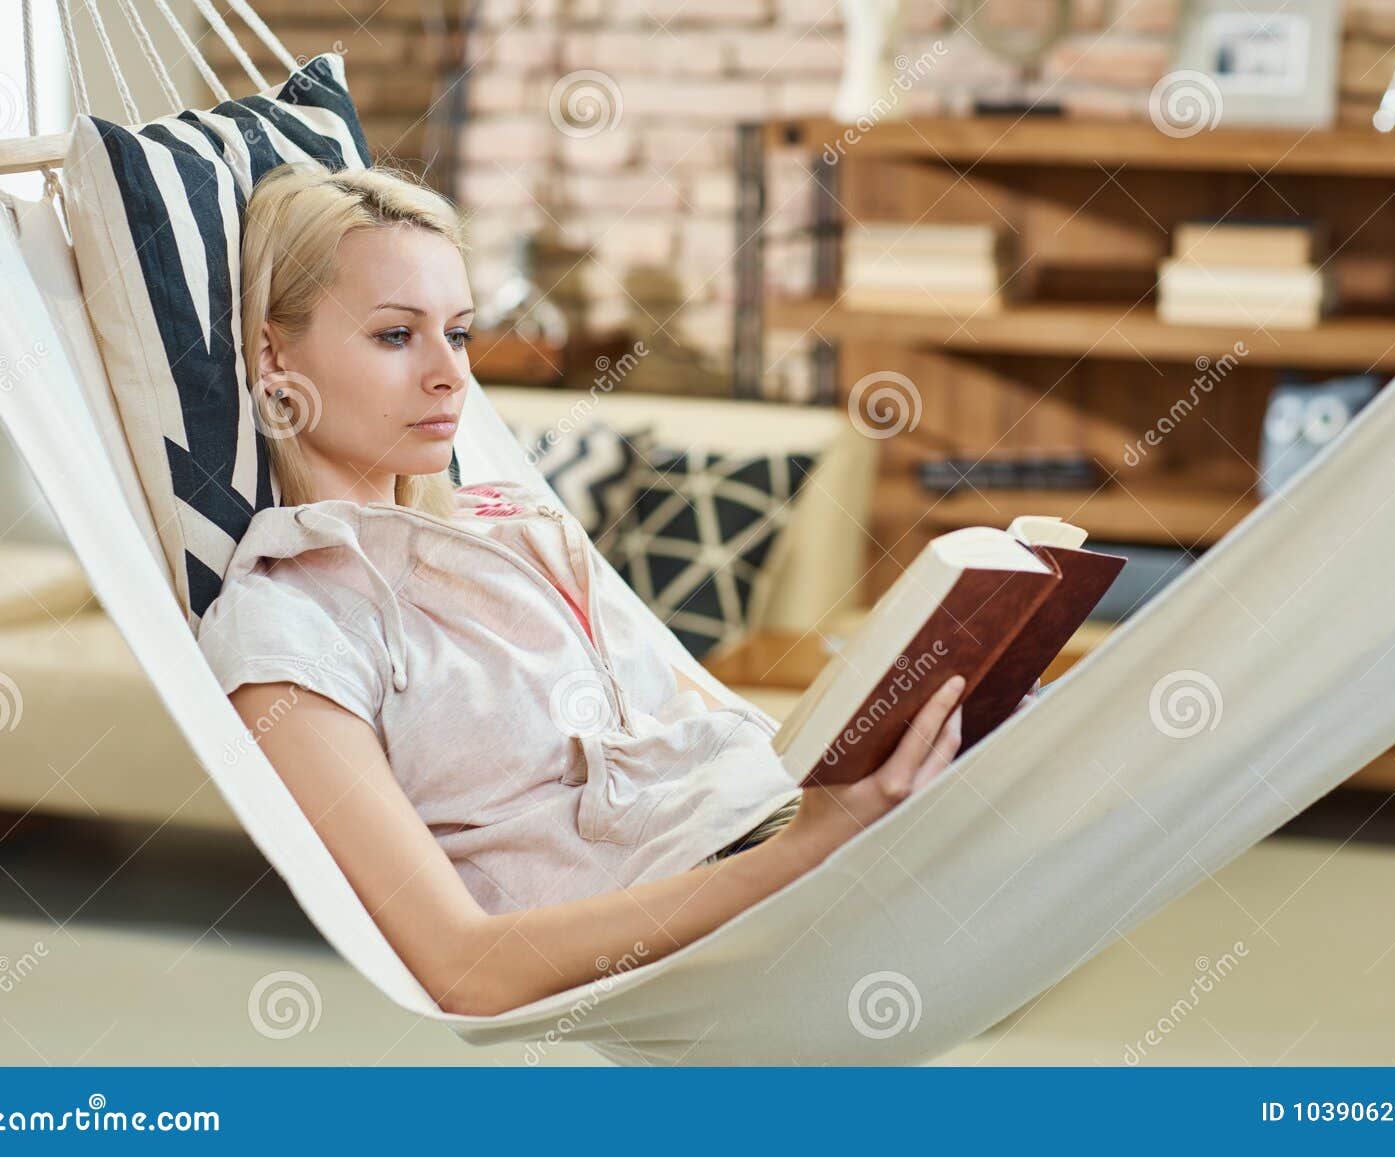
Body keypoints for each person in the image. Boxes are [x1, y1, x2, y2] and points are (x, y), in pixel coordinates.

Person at [198, 163, 1037, 1018]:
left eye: (458, 332)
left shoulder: (512, 520)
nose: (451, 375)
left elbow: (691, 720)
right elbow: (464, 967)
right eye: (393, 335)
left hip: (791, 819)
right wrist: (812, 849)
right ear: (275, 355)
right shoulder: (291, 623)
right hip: (754, 903)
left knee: (1048, 729)